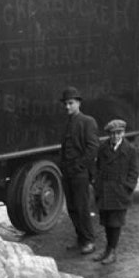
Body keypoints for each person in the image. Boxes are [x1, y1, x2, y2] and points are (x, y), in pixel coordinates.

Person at [58, 86, 99, 254]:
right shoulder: (68, 123)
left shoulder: (87, 121)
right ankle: (80, 239)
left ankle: (89, 241)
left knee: (82, 207)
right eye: (66, 104)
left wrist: (80, 166)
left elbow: (93, 148)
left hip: (79, 173)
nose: (67, 107)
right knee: (72, 208)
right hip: (67, 172)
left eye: (71, 103)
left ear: (78, 103)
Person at [93, 119, 139, 265]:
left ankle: (112, 251)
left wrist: (127, 188)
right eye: (112, 134)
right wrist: (97, 184)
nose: (115, 137)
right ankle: (107, 249)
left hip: (119, 192)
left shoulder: (130, 150)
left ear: (123, 133)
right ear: (108, 135)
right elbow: (98, 167)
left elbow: (134, 171)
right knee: (106, 221)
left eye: (119, 133)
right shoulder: (103, 148)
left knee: (115, 222)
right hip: (105, 190)